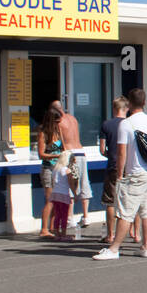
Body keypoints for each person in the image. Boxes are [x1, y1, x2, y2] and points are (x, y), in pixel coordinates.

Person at [93, 88, 147, 260]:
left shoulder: (126, 124)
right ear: (144, 103)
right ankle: (145, 247)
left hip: (135, 173)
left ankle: (114, 248)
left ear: (129, 104)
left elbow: (121, 152)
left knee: (125, 212)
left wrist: (119, 175)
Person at [51, 98, 93, 230]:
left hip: (70, 153)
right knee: (84, 184)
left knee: (69, 185)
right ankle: (86, 216)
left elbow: (59, 140)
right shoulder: (73, 118)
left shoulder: (58, 122)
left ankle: (70, 219)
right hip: (81, 151)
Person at [98, 96, 128, 244]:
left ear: (114, 108)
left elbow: (102, 149)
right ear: (126, 109)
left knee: (110, 201)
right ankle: (135, 233)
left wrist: (110, 154)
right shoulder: (130, 124)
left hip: (112, 166)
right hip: (129, 166)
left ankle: (110, 235)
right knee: (130, 200)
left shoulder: (106, 125)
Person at [36, 105, 65, 238]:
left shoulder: (59, 131)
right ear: (51, 120)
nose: (59, 123)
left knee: (58, 199)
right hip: (48, 169)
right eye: (56, 121)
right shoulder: (43, 133)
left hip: (58, 169)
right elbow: (41, 154)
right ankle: (44, 229)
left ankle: (53, 228)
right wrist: (56, 156)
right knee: (50, 200)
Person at [48, 151, 79, 240]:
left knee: (57, 214)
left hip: (55, 194)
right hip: (64, 194)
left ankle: (57, 233)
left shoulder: (55, 169)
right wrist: (75, 194)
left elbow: (53, 182)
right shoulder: (67, 170)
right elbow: (71, 184)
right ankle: (63, 233)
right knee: (64, 215)